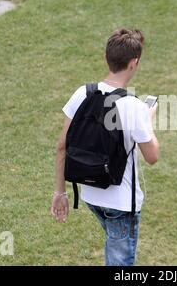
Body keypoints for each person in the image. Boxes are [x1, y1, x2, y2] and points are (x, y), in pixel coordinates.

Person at [51, 28, 160, 266]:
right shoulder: (134, 107)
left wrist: (60, 193)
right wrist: (148, 120)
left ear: (106, 58)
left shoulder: (83, 93)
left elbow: (62, 146)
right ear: (134, 63)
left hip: (91, 195)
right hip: (120, 204)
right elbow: (152, 156)